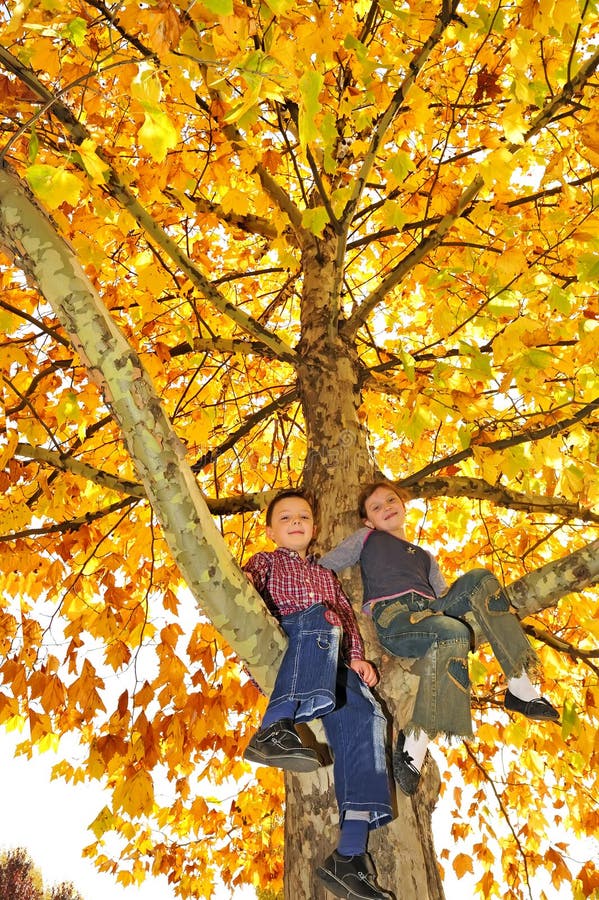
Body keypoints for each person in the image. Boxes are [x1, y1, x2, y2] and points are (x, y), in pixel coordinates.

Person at [319, 481, 560, 797]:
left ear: (404, 506)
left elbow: (445, 596)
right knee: (452, 631)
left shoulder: (425, 556)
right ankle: (416, 739)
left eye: (391, 500)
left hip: (431, 611)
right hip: (397, 619)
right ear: (368, 521)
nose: (386, 508)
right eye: (375, 508)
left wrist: (455, 607)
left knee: (480, 579)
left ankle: (519, 682)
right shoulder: (367, 538)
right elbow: (325, 565)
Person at [242, 489, 393, 900]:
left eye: (304, 517)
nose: (295, 522)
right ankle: (275, 727)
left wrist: (358, 658)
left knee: (369, 714)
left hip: (333, 656)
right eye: (286, 517)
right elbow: (243, 591)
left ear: (314, 527)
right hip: (290, 643)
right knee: (320, 621)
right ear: (270, 529)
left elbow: (344, 616)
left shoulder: (326, 576)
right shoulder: (265, 561)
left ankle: (348, 855)